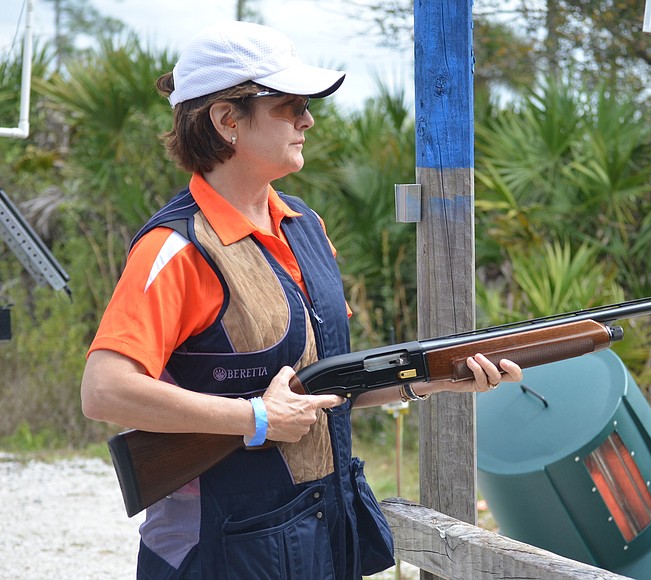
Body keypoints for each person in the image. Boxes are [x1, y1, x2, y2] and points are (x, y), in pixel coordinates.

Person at [80, 20, 522, 580]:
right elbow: (104, 389)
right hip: (219, 554)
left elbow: (328, 385)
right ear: (226, 121)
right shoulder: (175, 248)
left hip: (316, 539)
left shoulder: (305, 226)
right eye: (290, 105)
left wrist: (437, 376)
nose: (308, 119)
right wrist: (253, 417)